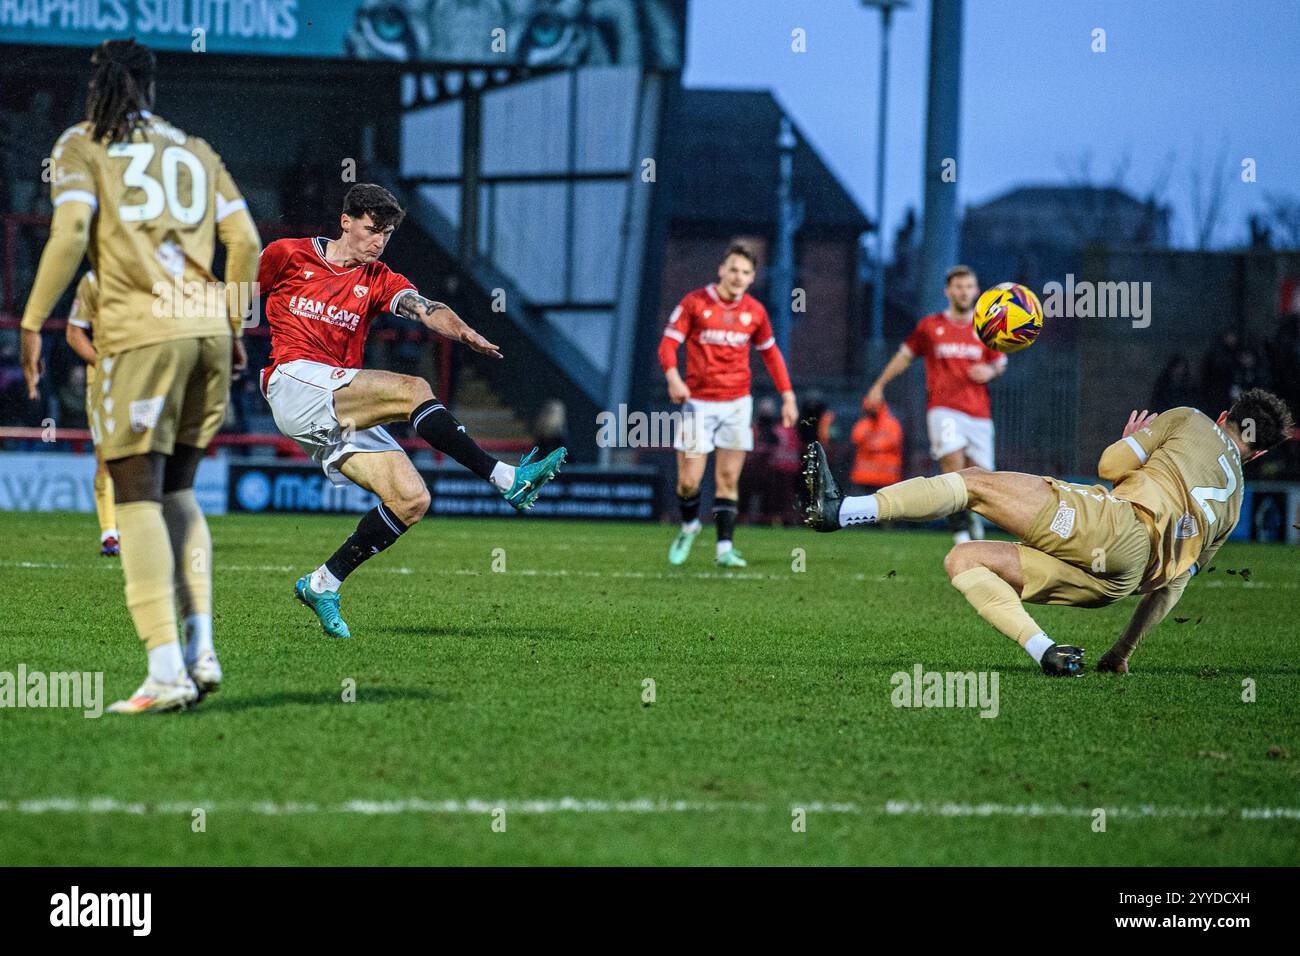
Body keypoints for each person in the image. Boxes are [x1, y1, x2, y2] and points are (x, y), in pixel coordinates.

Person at [19, 40, 262, 713]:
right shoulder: (194, 147)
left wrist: (32, 321)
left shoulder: (80, 144)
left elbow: (70, 232)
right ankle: (200, 649)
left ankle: (164, 671)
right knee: (180, 492)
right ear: (152, 87)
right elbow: (248, 245)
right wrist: (236, 325)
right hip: (209, 330)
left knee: (136, 496)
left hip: (143, 332)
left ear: (93, 85)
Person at [803, 389, 1293, 676]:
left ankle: (840, 509)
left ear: (1225, 416)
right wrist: (1121, 651)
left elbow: (1108, 465)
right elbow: (1173, 586)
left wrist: (1130, 443)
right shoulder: (1233, 504)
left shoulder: (1191, 419)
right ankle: (1047, 652)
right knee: (964, 559)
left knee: (975, 483)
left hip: (1116, 528)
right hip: (1118, 583)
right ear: (1261, 454)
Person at [258, 183, 566, 639]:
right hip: (291, 381)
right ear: (345, 221)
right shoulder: (288, 255)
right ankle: (505, 477)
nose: (378, 241)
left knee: (412, 499)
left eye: (386, 234)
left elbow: (425, 308)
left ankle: (323, 583)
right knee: (413, 388)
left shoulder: (378, 279)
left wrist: (461, 330)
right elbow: (236, 294)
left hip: (337, 403)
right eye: (370, 230)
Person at [659, 243, 798, 567]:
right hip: (698, 403)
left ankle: (724, 549)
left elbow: (771, 355)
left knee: (728, 479)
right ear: (721, 270)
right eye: (733, 269)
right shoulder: (694, 303)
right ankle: (690, 526)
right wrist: (673, 377)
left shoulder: (755, 312)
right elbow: (668, 344)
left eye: (746, 272)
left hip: (736, 404)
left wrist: (788, 395)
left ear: (752, 278)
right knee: (689, 481)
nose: (738, 276)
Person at [865, 265, 1005, 544]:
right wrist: (879, 384)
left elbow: (1000, 361)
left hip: (978, 413)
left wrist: (990, 372)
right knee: (953, 466)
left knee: (981, 476)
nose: (963, 292)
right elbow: (904, 356)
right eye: (958, 287)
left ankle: (970, 517)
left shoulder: (986, 327)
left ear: (976, 291)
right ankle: (961, 535)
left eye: (968, 286)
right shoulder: (930, 327)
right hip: (944, 409)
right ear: (948, 291)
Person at [63, 271, 119, 555]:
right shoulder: (94, 280)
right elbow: (74, 332)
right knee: (105, 458)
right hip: (103, 381)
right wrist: (104, 364)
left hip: (148, 377)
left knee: (151, 456)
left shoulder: (156, 270)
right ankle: (110, 534)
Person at [849, 397, 903, 495]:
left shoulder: (891, 424)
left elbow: (894, 441)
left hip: (885, 477)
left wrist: (873, 444)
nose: (872, 409)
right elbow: (856, 439)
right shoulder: (863, 424)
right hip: (864, 477)